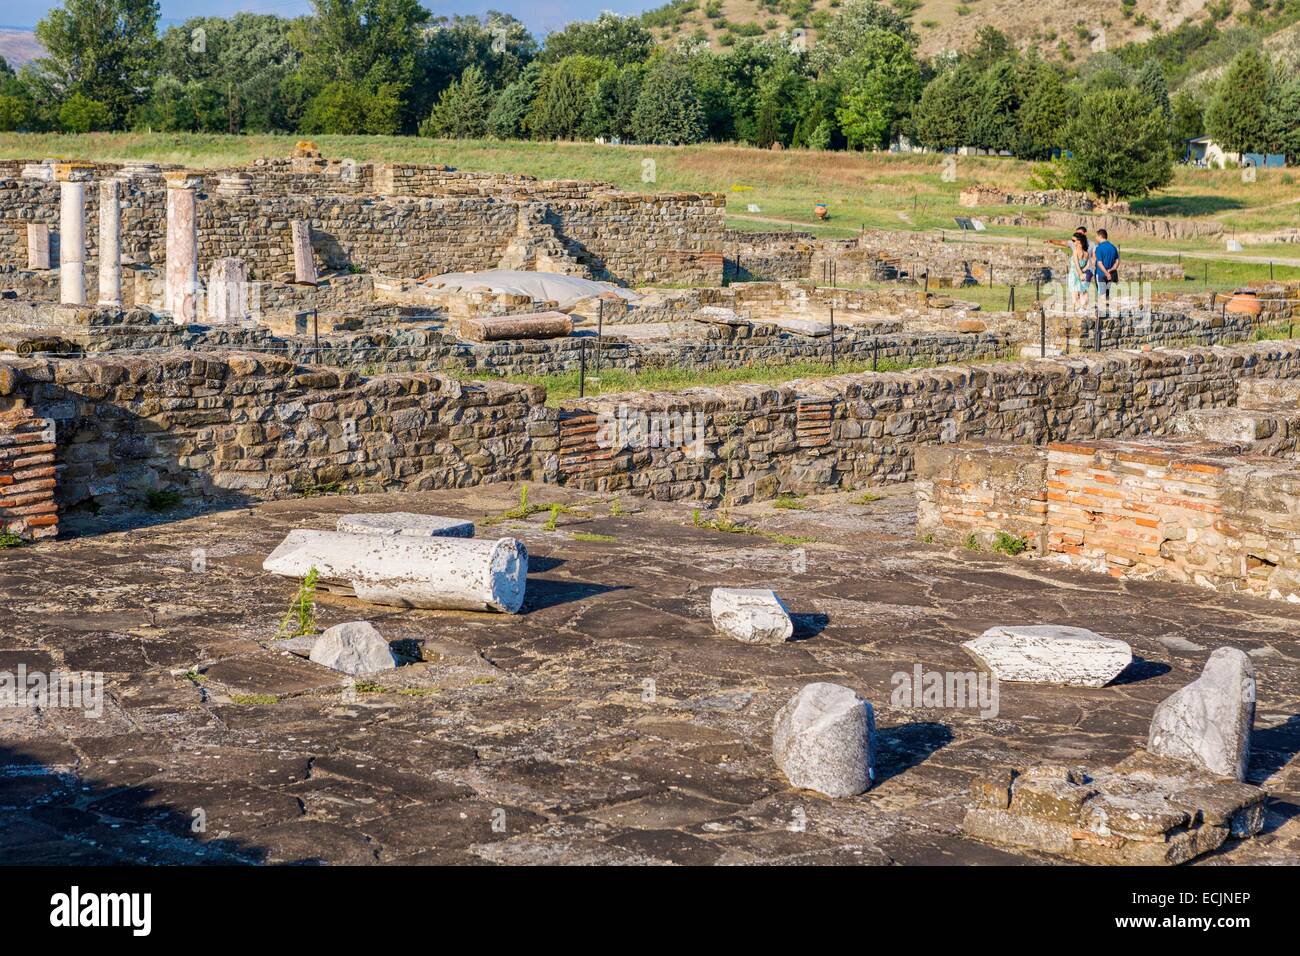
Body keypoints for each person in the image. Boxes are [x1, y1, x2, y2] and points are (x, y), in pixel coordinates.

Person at [1093, 228, 1120, 316]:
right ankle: (1107, 311)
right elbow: (1117, 262)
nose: (1095, 238)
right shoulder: (1113, 247)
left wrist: (1106, 272)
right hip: (1110, 274)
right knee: (1107, 292)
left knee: (1102, 293)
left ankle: (1103, 312)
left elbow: (1099, 263)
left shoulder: (1099, 248)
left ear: (1100, 236)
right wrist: (1111, 270)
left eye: (1096, 236)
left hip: (1101, 274)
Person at [1066, 232, 1090, 312]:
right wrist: (1082, 274)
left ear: (1079, 241)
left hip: (1074, 274)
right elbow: (1086, 266)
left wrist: (1079, 274)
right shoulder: (1086, 253)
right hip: (1082, 274)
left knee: (1074, 293)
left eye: (1073, 240)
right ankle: (1083, 308)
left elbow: (1076, 264)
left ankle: (1078, 309)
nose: (1072, 242)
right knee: (1082, 291)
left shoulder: (1075, 251)